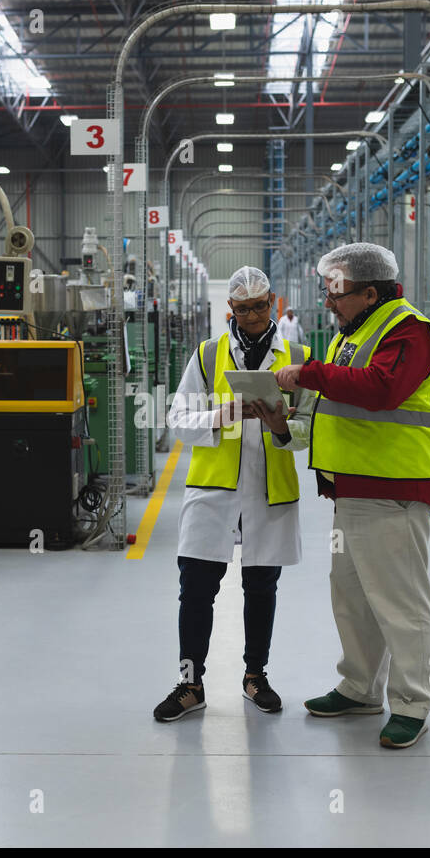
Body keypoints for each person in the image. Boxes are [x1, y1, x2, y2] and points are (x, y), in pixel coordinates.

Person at [274, 243, 430, 749]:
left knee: (399, 601)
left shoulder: (409, 330)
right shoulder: (353, 333)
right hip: (352, 488)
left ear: (370, 293)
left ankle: (412, 702)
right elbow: (337, 410)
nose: (330, 301)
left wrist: (310, 373)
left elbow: (381, 390)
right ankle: (360, 686)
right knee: (352, 597)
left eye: (338, 292)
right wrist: (284, 425)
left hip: (394, 488)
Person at [155, 266, 314, 722]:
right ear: (231, 309)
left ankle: (255, 676)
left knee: (261, 587)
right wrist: (223, 412)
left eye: (259, 307)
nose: (251, 316)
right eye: (242, 309)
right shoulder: (207, 356)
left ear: (273, 303)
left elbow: (312, 431)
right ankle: (190, 684)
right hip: (214, 491)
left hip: (269, 491)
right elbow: (179, 419)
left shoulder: (298, 355)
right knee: (195, 589)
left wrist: (281, 425)